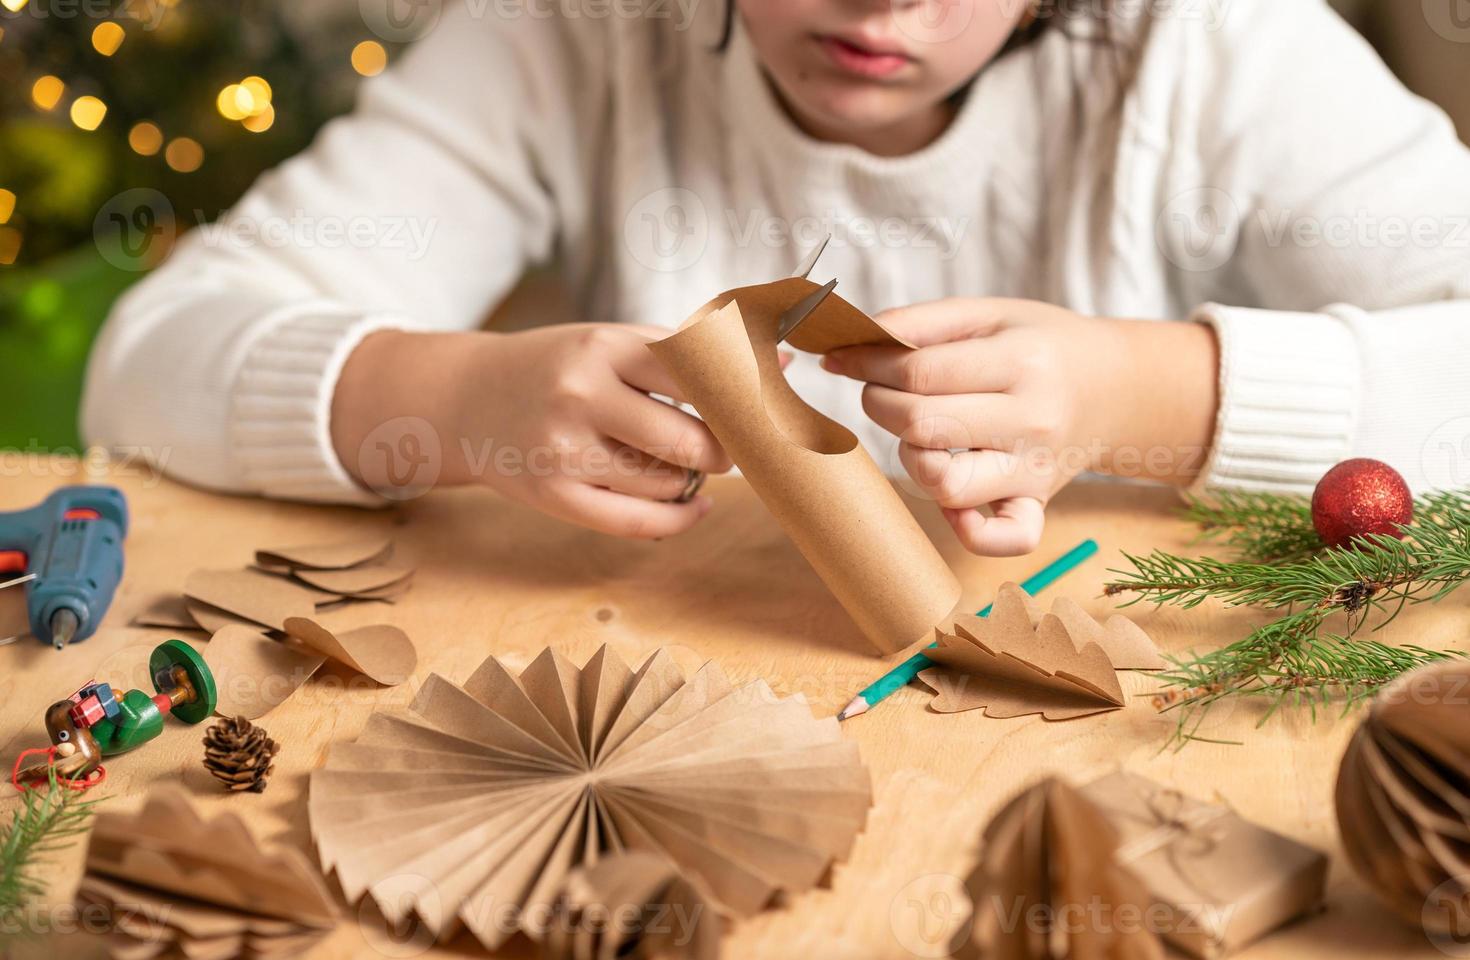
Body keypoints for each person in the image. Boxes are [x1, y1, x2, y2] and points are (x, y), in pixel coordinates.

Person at [81, 0, 1470, 556]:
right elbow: (151, 357)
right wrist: (444, 393)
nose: (881, 8)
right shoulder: (580, 31)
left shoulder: (1214, 43)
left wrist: (1153, 394)